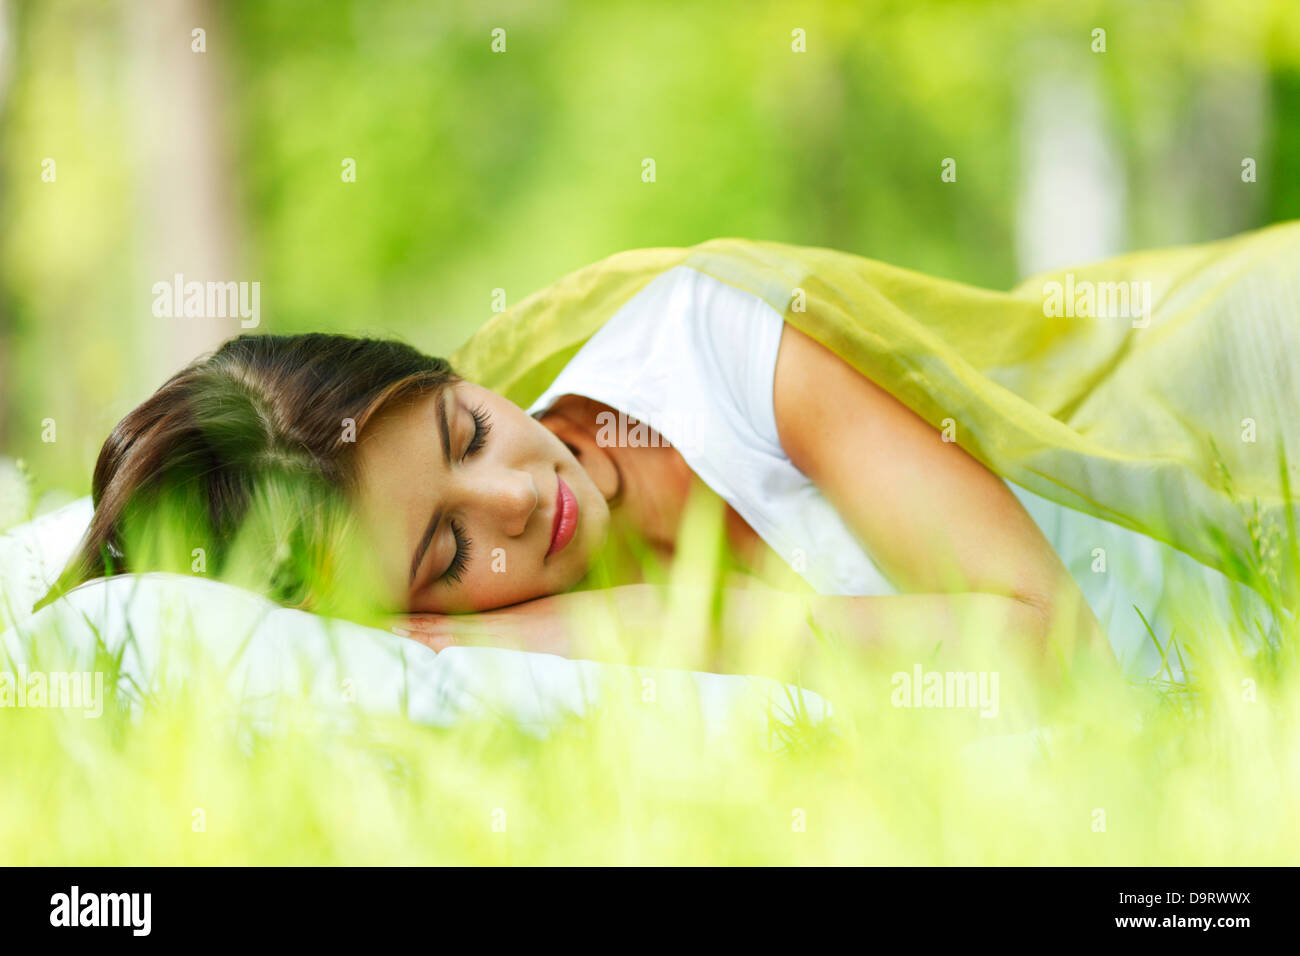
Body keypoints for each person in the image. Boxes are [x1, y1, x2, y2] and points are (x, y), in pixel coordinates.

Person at [40, 225, 1298, 684]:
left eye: (468, 430)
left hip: (1232, 413)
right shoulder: (490, 678)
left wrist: (640, 621)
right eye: (447, 545)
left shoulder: (717, 344)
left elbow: (1045, 643)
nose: (522, 497)